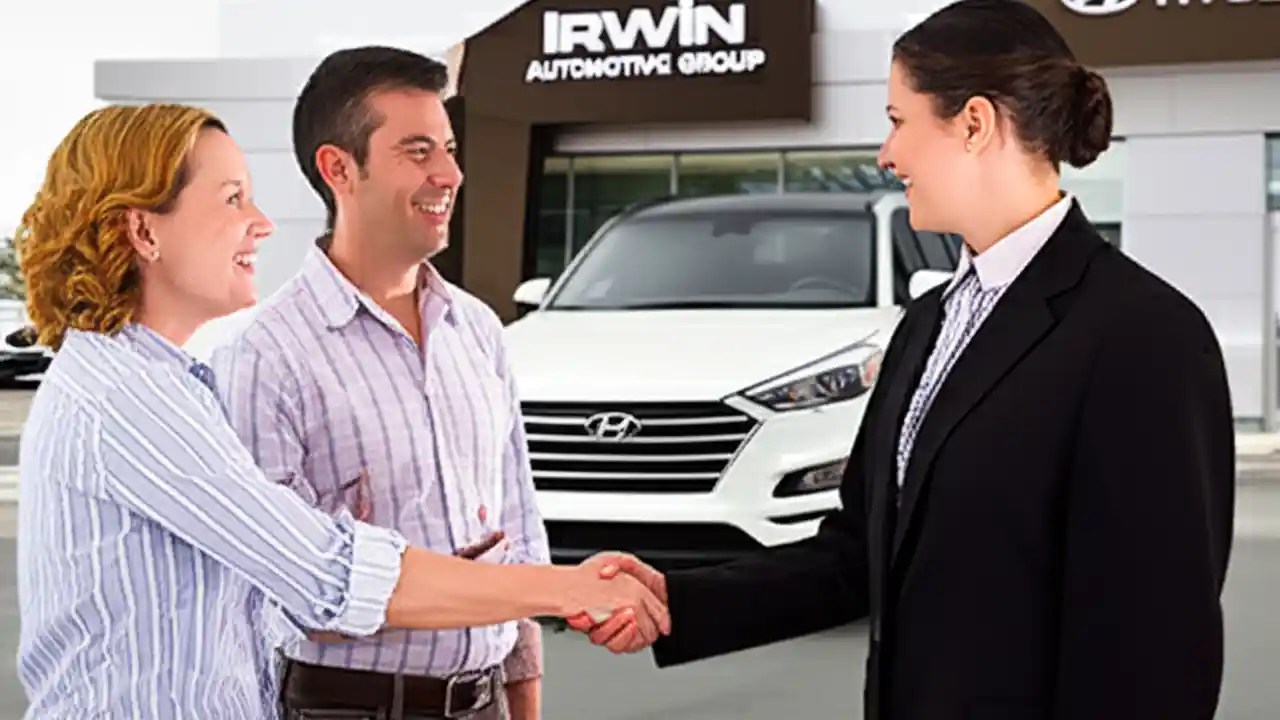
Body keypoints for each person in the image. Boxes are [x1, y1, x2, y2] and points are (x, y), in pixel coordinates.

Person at [572, 1, 1236, 718]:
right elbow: (859, 555)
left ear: (974, 124)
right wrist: (677, 601)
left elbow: (1157, 655)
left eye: (897, 120)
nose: (886, 154)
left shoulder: (1145, 337)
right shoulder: (928, 324)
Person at [13, 103, 668, 720]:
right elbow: (324, 575)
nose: (262, 223)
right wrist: (568, 588)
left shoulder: (162, 383)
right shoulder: (128, 401)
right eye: (232, 198)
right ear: (143, 229)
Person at [205, 47, 652, 720]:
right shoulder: (264, 356)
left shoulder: (476, 330)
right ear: (337, 169)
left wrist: (524, 703)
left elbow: (518, 536)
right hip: (342, 709)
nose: (449, 173)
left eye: (447, 147)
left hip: (484, 704)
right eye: (417, 152)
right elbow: (288, 591)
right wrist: (566, 590)